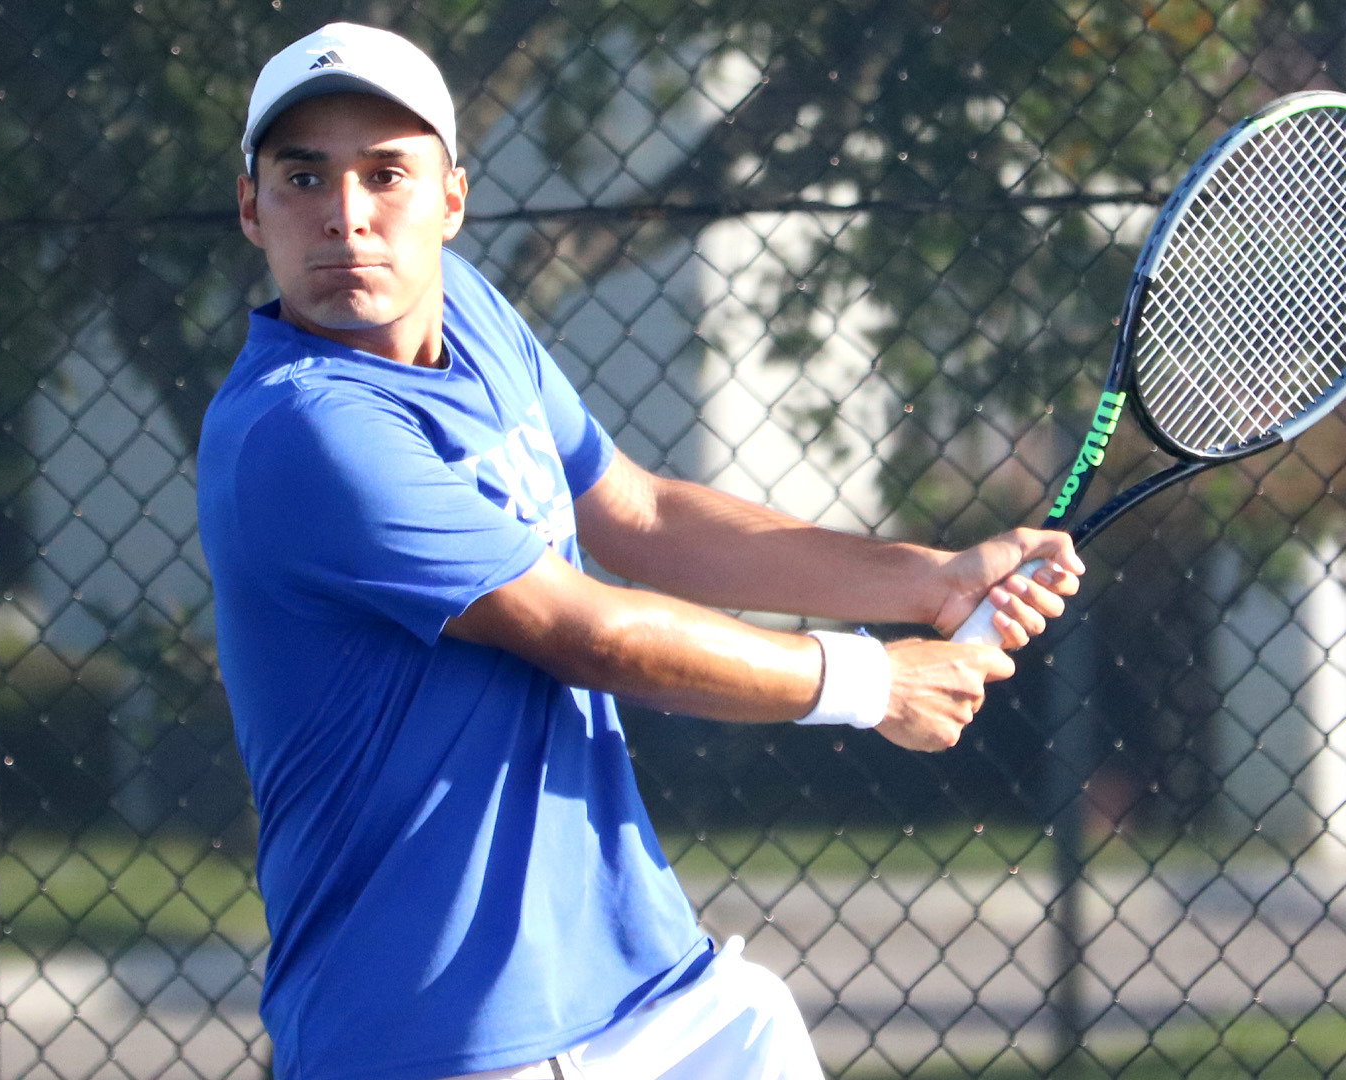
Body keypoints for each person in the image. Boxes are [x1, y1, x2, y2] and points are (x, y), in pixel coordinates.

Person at [196, 21, 1084, 1080]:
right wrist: (872, 680)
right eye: (304, 177)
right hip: (437, 1041)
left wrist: (924, 578)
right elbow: (588, 634)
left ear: (452, 201)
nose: (347, 216)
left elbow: (643, 514)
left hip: (661, 998)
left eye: (386, 174)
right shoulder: (302, 432)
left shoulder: (471, 314)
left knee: (756, 1018)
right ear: (253, 207)